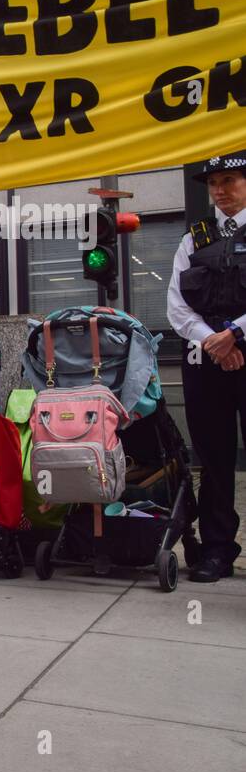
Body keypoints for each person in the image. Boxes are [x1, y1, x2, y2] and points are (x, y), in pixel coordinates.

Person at [167, 150, 246, 583]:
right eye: (214, 184)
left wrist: (236, 332)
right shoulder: (193, 239)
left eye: (230, 181)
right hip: (206, 361)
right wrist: (215, 342)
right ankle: (217, 551)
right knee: (213, 461)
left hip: (239, 349)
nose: (220, 190)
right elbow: (176, 309)